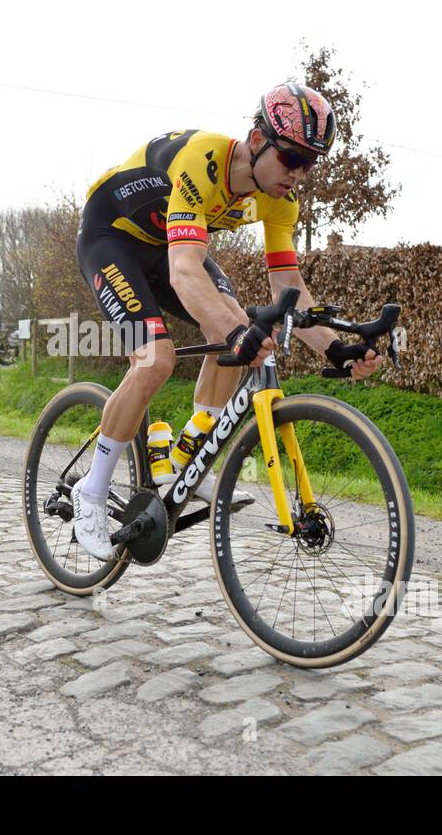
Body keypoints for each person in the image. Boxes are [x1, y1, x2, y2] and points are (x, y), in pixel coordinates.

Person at [69, 83, 383, 560]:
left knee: (241, 332)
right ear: (257, 140)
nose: (298, 173)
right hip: (110, 238)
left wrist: (335, 348)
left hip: (167, 247)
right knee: (156, 358)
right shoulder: (202, 161)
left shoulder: (280, 200)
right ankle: (90, 493)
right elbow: (184, 270)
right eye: (292, 158)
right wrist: (237, 331)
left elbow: (288, 287)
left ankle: (183, 458)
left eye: (311, 163)